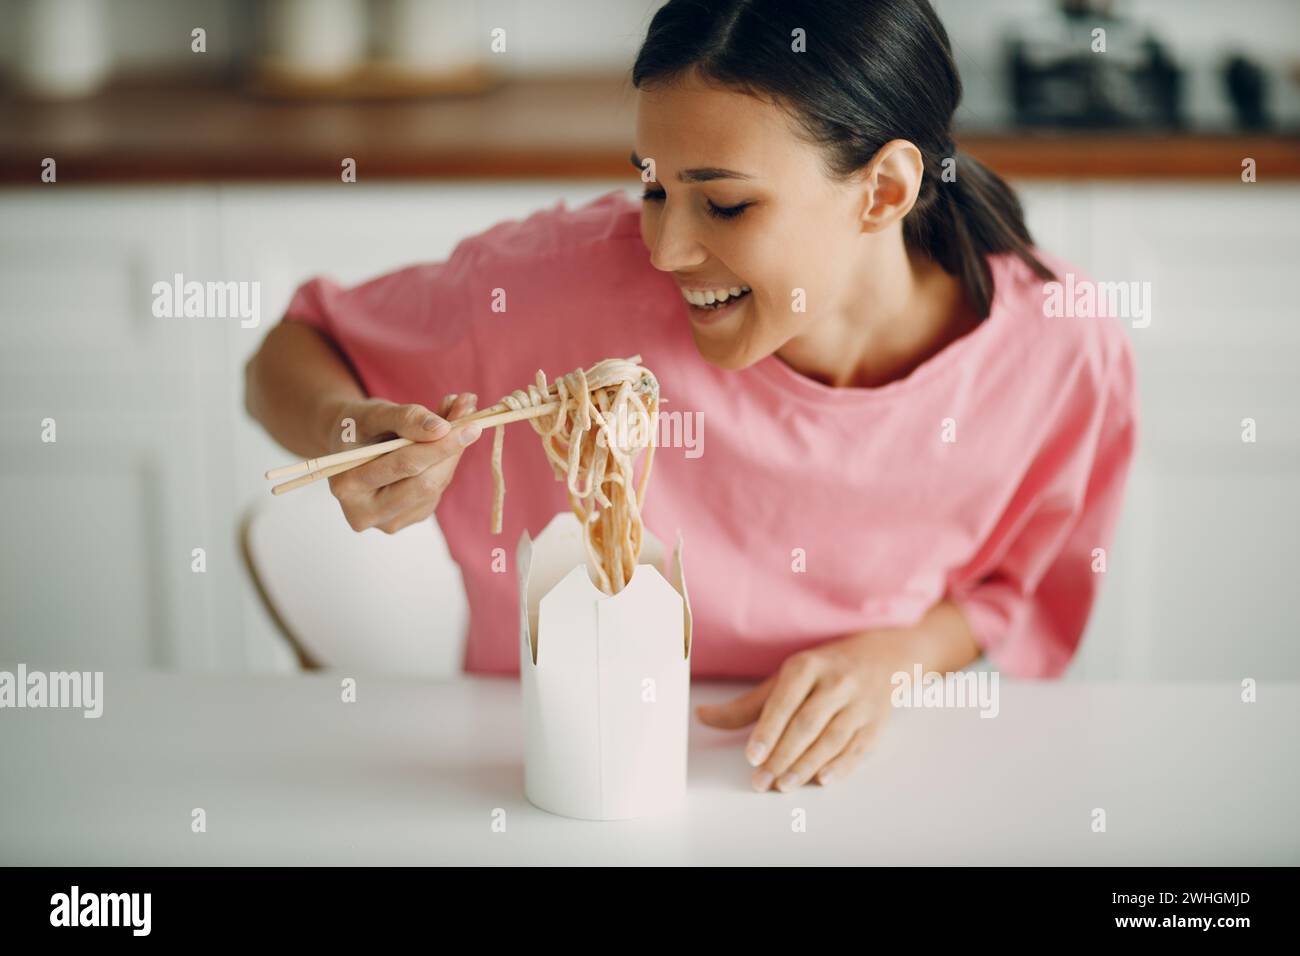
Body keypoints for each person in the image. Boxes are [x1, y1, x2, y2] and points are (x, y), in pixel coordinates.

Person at [245, 0, 1138, 793]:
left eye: (726, 206)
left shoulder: (1055, 347)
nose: (666, 250)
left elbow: (1012, 587)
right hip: (552, 775)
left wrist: (893, 659)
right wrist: (349, 426)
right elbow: (290, 349)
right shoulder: (558, 289)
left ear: (886, 190)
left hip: (847, 792)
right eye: (652, 186)